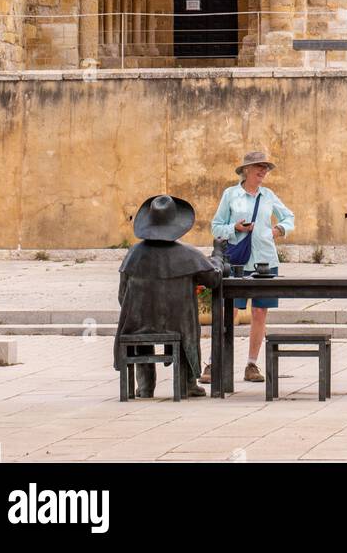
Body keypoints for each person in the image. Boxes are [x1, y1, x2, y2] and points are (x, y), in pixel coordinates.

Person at [114, 193, 224, 398]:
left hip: (138, 324)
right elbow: (213, 279)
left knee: (142, 326)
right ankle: (189, 382)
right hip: (179, 325)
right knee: (186, 324)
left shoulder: (133, 254)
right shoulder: (188, 254)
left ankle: (145, 387)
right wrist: (218, 254)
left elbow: (123, 296)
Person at [200, 150, 295, 384]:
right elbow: (216, 227)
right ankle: (213, 362)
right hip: (237, 262)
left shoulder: (268, 195)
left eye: (266, 168)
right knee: (228, 312)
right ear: (246, 170)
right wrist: (235, 228)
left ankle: (252, 364)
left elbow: (289, 217)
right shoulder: (231, 194)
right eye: (258, 167)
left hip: (265, 262)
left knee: (260, 312)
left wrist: (278, 230)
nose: (263, 171)